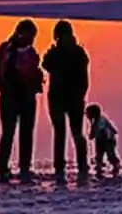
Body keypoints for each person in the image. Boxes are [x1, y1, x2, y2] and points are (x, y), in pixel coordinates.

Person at [0, 19, 43, 183]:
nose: (32, 39)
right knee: (8, 133)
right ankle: (3, 167)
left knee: (26, 134)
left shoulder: (32, 53)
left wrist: (36, 83)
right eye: (30, 35)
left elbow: (34, 74)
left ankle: (25, 168)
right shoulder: (5, 49)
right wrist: (5, 90)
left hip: (27, 97)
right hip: (10, 97)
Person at [41, 19, 90, 182]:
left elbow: (45, 65)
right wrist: (81, 94)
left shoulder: (58, 52)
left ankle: (60, 167)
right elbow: (84, 78)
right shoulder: (79, 52)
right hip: (72, 97)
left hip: (59, 97)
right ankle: (82, 166)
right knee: (75, 133)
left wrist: (51, 52)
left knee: (61, 133)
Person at [85, 103, 120, 176]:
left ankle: (115, 165)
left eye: (88, 114)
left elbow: (102, 130)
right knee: (99, 155)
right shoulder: (96, 121)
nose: (87, 116)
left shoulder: (101, 120)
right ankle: (99, 167)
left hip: (107, 140)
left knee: (110, 154)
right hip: (100, 140)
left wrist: (93, 135)